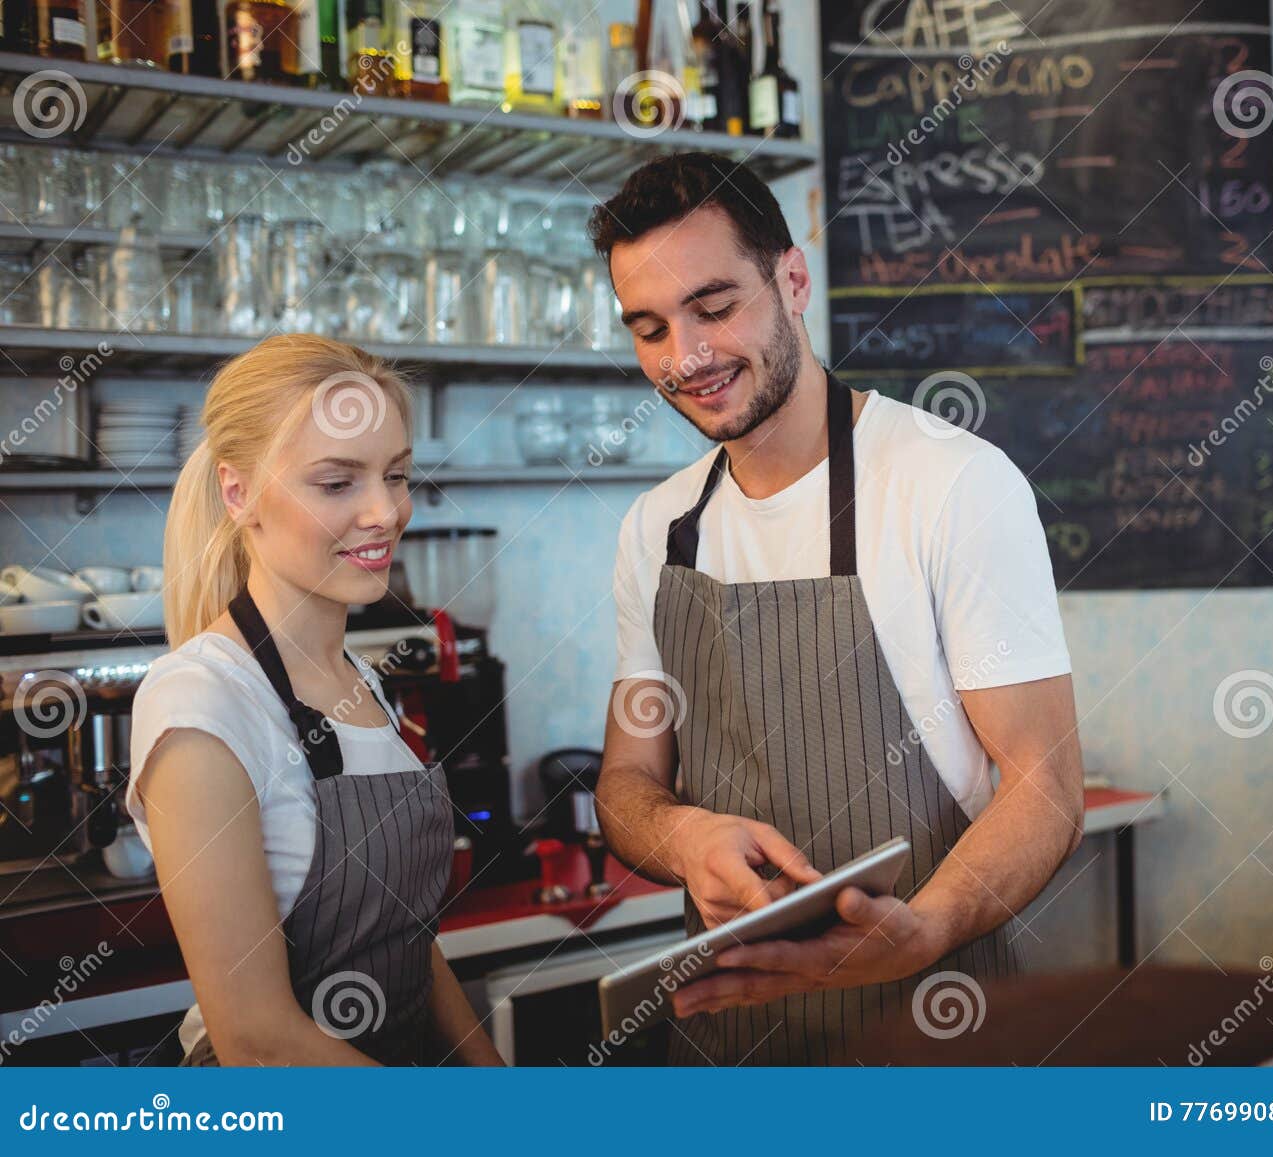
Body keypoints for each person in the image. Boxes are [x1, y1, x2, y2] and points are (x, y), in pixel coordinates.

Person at [590, 153, 1086, 1065]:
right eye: (651, 328)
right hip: (729, 1039)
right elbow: (625, 784)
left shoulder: (954, 484)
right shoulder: (656, 529)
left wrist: (925, 926)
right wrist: (681, 832)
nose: (687, 357)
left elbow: (1045, 787)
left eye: (714, 306)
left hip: (934, 1020)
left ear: (792, 278)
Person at [127, 334, 503, 1066]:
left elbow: (407, 941)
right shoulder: (200, 702)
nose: (385, 513)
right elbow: (257, 1040)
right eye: (337, 483)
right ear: (239, 494)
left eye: (395, 475)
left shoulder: (364, 680)